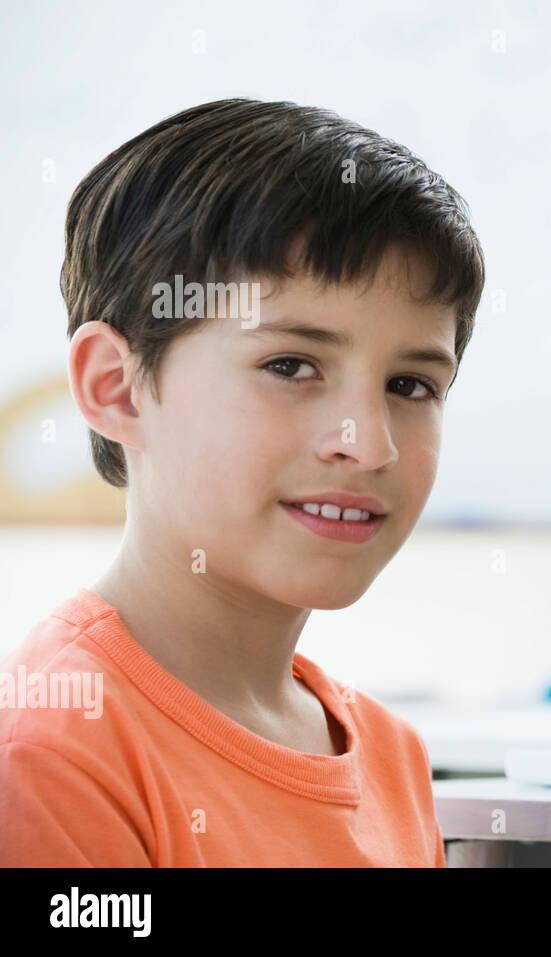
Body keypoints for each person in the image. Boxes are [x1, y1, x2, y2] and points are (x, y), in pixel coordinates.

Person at [0, 98, 485, 866]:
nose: (366, 444)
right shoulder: (54, 748)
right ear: (117, 389)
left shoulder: (392, 756)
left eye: (411, 384)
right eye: (290, 366)